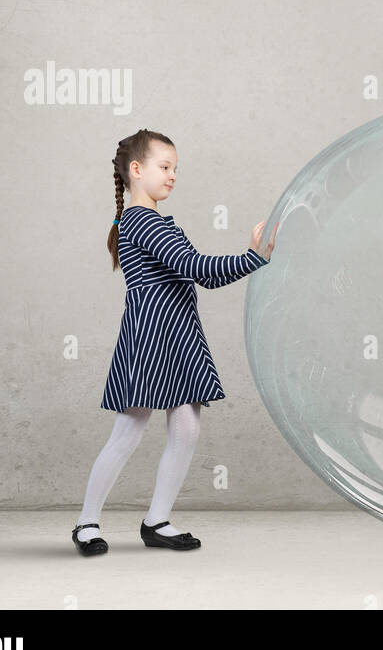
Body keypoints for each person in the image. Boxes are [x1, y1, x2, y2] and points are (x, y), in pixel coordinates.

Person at [72, 129, 276, 555]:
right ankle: (86, 524)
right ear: (137, 169)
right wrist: (254, 258)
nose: (172, 176)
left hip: (179, 334)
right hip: (152, 336)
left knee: (185, 428)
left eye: (174, 169)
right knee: (129, 431)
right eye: (165, 167)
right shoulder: (141, 222)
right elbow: (198, 268)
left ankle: (156, 521)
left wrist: (250, 259)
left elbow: (190, 271)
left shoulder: (154, 222)